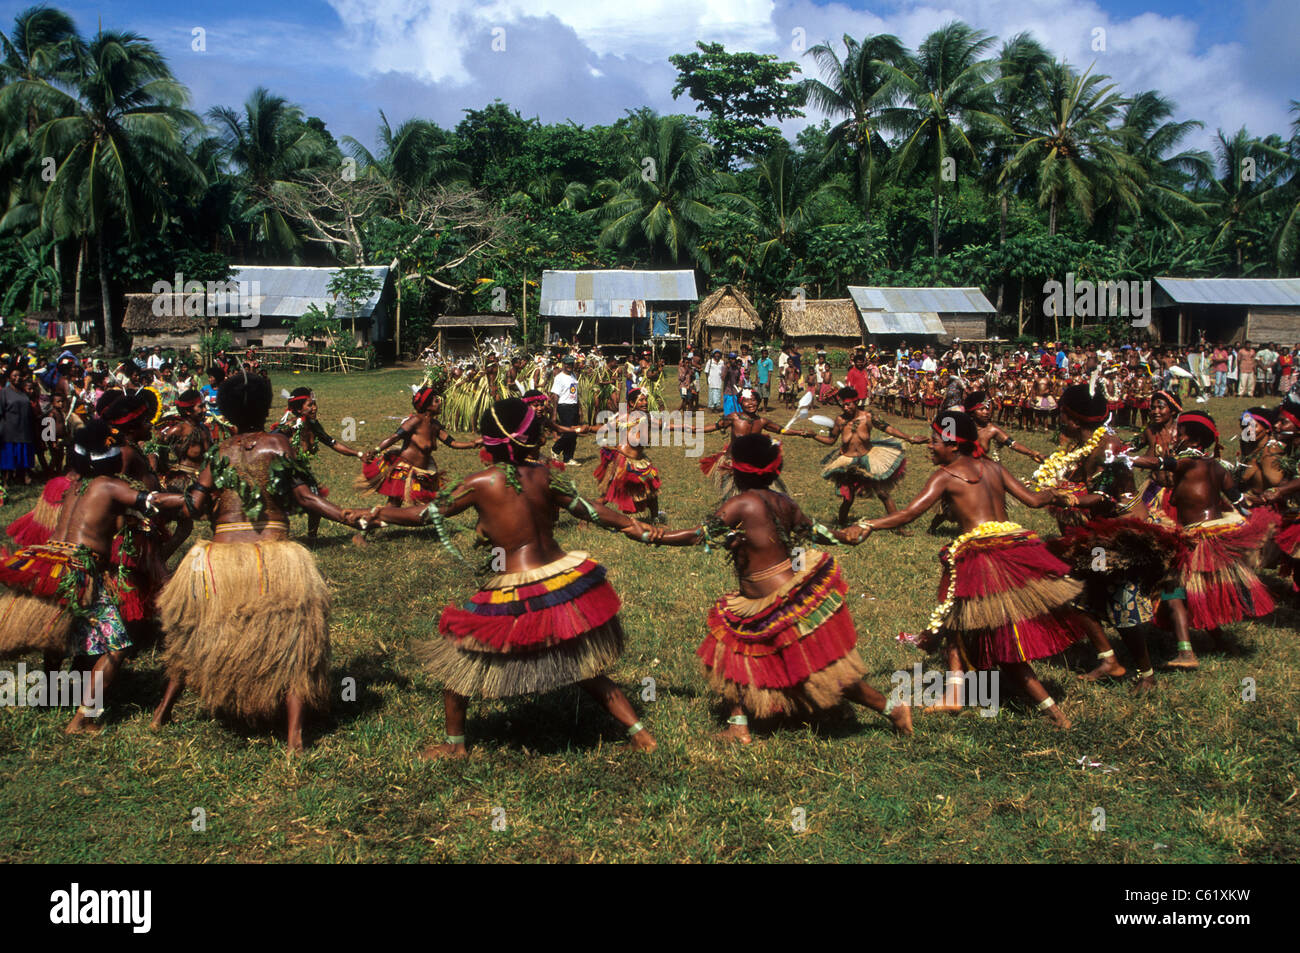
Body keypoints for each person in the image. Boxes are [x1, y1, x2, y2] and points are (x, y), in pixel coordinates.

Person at [364, 396, 660, 759]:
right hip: (561, 580)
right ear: (530, 439)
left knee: (459, 663)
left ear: (490, 442)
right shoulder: (545, 475)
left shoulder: (480, 482)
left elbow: (425, 514)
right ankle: (640, 733)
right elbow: (590, 510)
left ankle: (455, 746)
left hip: (514, 586)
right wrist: (634, 527)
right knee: (581, 663)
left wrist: (378, 513)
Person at [150, 372, 362, 751]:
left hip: (217, 558)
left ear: (227, 411)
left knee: (193, 631)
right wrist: (347, 515)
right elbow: (306, 498)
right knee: (296, 637)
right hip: (273, 557)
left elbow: (194, 506)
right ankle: (295, 738)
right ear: (266, 408)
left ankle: (162, 711)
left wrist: (148, 501)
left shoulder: (219, 450)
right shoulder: (278, 444)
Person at [655, 433, 912, 741]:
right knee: (732, 646)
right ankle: (738, 726)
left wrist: (653, 535)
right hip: (776, 594)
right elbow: (816, 531)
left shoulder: (740, 503)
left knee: (823, 672)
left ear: (736, 470)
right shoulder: (783, 501)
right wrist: (844, 535)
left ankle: (892, 708)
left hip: (776, 602)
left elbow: (699, 534)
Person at [845, 411, 1083, 727]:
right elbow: (1035, 501)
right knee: (955, 622)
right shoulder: (994, 468)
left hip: (980, 559)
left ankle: (1053, 713)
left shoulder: (945, 476)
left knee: (1001, 639)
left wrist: (870, 524)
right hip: (1013, 548)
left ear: (953, 444)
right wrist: (1058, 493)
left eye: (934, 441)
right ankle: (956, 693)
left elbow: (909, 514)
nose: (929, 446)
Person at [0, 419, 186, 734]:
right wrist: (191, 500)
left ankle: (48, 695)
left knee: (57, 633)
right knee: (118, 647)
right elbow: (151, 500)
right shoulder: (107, 484)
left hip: (53, 561)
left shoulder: (77, 486)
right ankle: (84, 718)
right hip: (80, 570)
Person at [1129, 411, 1277, 667]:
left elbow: (1161, 464)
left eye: (1180, 431)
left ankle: (1186, 653)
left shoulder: (1188, 462)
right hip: (1214, 531)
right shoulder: (1218, 467)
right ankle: (1219, 640)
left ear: (1191, 437)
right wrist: (1246, 517)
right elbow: (1238, 500)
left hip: (1196, 534)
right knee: (1200, 592)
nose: (1176, 435)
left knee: (1172, 590)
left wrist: (1126, 459)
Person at [811, 386, 926, 528]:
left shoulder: (868, 417)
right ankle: (841, 526)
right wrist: (813, 435)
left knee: (883, 494)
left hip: (868, 458)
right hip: (848, 461)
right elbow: (830, 440)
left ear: (856, 402)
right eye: (843, 405)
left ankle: (898, 526)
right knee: (848, 498)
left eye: (848, 404)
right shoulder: (840, 420)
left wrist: (909, 437)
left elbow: (887, 428)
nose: (845, 408)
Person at [357, 385, 480, 506]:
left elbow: (453, 443)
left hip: (422, 472)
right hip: (405, 469)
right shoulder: (415, 421)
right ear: (428, 406)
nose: (440, 402)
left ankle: (380, 518)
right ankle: (373, 518)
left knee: (429, 506)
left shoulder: (435, 425)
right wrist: (376, 450)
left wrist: (473, 444)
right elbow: (395, 437)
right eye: (436, 400)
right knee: (394, 504)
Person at [274, 387, 364, 538]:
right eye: (310, 405)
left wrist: (358, 454)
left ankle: (312, 538)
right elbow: (270, 439)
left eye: (314, 404)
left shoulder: (313, 425)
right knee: (287, 506)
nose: (314, 408)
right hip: (286, 472)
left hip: (301, 472)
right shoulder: (290, 426)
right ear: (298, 408)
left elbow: (333, 443)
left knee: (316, 503)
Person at [592, 387, 663, 521]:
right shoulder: (624, 418)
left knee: (652, 492)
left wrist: (700, 429)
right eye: (641, 400)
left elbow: (671, 426)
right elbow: (604, 428)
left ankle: (655, 519)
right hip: (623, 461)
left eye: (646, 400)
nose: (645, 403)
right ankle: (586, 517)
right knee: (606, 496)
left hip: (640, 461)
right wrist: (587, 428)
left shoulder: (648, 418)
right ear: (631, 403)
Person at [549, 354, 583, 463]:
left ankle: (568, 458)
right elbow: (555, 396)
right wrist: (554, 413)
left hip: (573, 405)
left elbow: (576, 394)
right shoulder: (559, 378)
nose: (570, 366)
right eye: (567, 364)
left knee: (575, 433)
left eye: (571, 364)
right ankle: (556, 449)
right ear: (563, 364)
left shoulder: (573, 375)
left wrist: (579, 409)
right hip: (564, 406)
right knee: (569, 432)